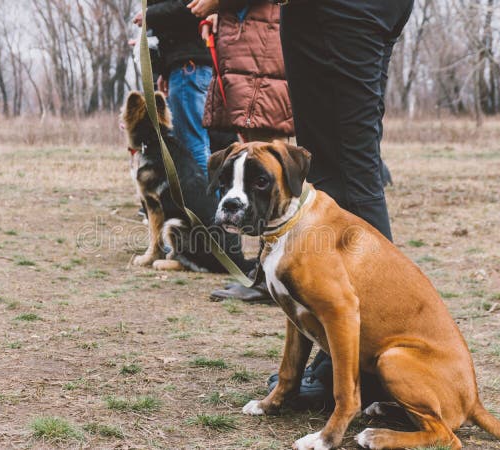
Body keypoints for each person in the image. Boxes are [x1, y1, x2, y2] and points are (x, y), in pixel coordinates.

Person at [190, 0, 413, 409]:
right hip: (360, 11)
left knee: (341, 168)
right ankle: (360, 359)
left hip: (336, 11)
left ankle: (354, 368)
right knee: (349, 162)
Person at [189, 0, 295, 303]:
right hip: (250, 50)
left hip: (260, 52)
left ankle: (273, 278)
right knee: (260, 163)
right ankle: (268, 273)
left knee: (271, 170)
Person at [134, 0, 219, 174]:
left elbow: (189, 6)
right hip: (184, 66)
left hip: (188, 67)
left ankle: (206, 192)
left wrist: (150, 15)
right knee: (191, 144)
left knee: (192, 146)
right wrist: (165, 71)